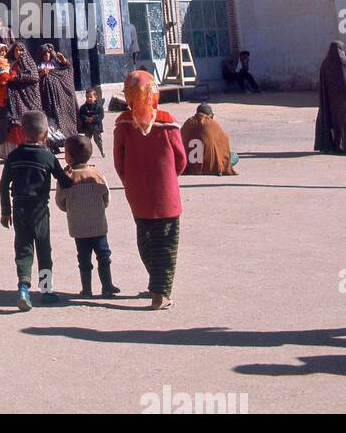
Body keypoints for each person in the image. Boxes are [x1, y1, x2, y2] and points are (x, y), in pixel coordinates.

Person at [113, 70, 186, 310]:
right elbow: (181, 160)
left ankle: (155, 284)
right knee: (166, 242)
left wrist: (131, 180)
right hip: (166, 194)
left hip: (137, 193)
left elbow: (119, 162)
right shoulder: (167, 122)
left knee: (145, 238)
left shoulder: (123, 124)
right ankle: (160, 293)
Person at [0, 109, 72, 310]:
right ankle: (46, 290)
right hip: (40, 211)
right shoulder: (48, 157)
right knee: (43, 249)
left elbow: (4, 185)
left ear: (22, 133)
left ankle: (23, 288)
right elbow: (65, 182)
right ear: (46, 134)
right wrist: (71, 174)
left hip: (19, 209)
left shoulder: (13, 156)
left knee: (23, 249)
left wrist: (5, 211)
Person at [55, 133, 119, 297]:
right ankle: (107, 286)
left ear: (68, 156)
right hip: (98, 226)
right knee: (104, 255)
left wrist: (71, 209)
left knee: (84, 259)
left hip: (78, 228)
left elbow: (60, 202)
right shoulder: (97, 174)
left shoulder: (67, 177)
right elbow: (106, 198)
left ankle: (87, 289)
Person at [2, 40, 41, 153]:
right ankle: (17, 150)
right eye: (17, 50)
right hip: (15, 99)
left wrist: (16, 77)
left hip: (29, 98)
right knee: (16, 123)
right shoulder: (10, 63)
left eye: (21, 50)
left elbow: (34, 76)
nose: (19, 52)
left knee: (31, 123)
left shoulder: (29, 62)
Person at [180, 103, 239, 176]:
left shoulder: (188, 123)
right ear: (211, 116)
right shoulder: (212, 123)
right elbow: (224, 143)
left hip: (191, 167)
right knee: (235, 156)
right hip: (211, 168)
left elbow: (180, 140)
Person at [38, 43, 80, 139]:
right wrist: (41, 74)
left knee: (61, 116)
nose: (47, 55)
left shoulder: (56, 64)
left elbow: (67, 70)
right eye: (44, 54)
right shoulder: (38, 66)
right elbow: (35, 79)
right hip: (46, 97)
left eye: (48, 53)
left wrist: (64, 60)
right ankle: (53, 140)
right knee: (50, 118)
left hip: (59, 96)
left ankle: (65, 136)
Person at [78, 87, 106, 156]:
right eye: (87, 97)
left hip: (96, 127)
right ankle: (88, 153)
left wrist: (93, 118)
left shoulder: (99, 107)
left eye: (91, 97)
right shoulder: (83, 107)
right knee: (87, 141)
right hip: (87, 127)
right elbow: (81, 115)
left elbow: (101, 115)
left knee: (98, 140)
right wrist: (86, 118)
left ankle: (102, 152)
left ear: (95, 97)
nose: (89, 99)